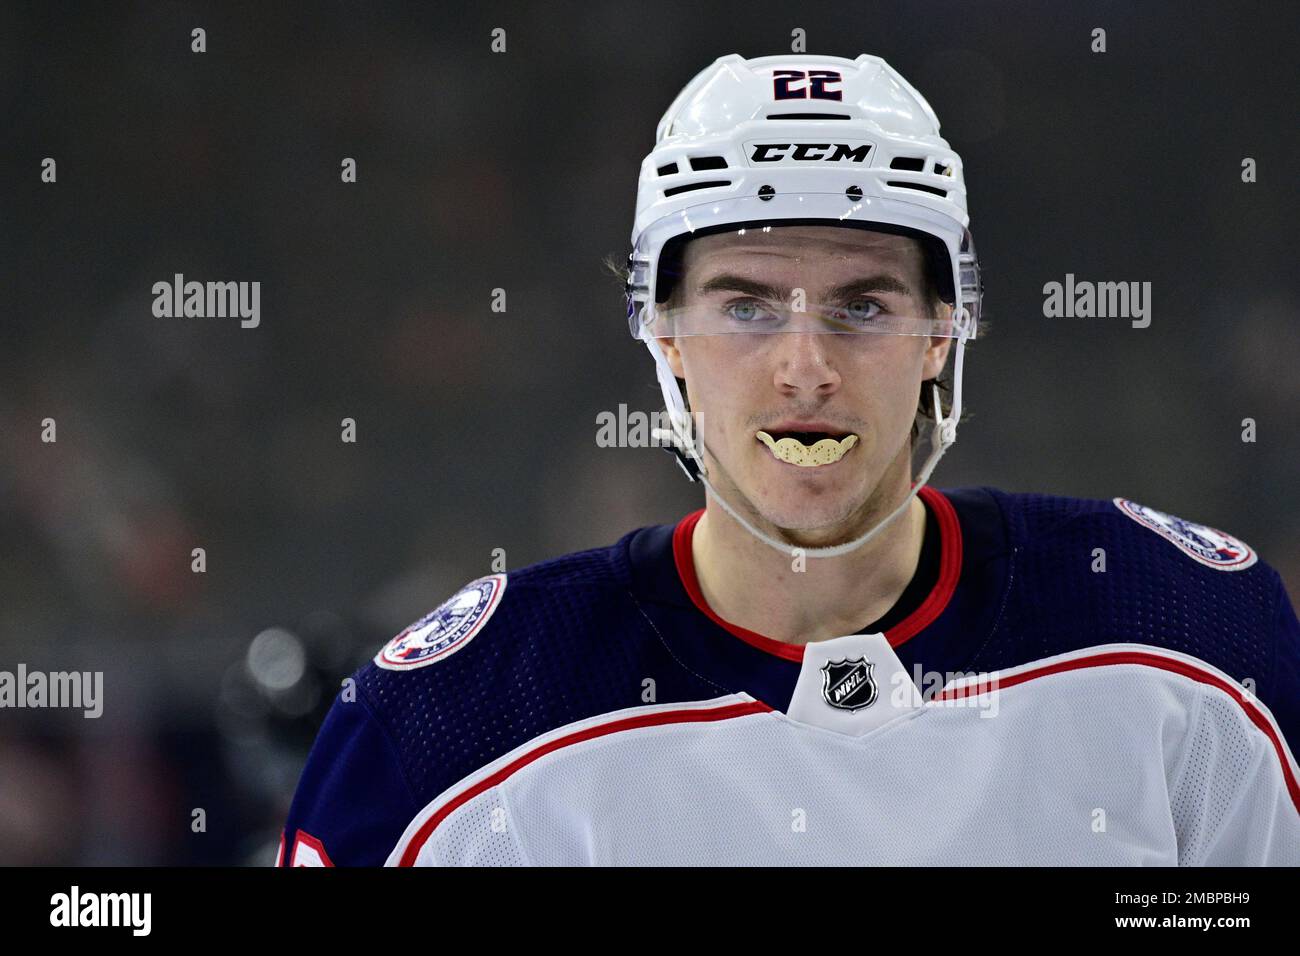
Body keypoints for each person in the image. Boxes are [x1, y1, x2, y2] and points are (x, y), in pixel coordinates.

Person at [279, 52, 1300, 866]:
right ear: (664, 334)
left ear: (943, 330)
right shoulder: (451, 723)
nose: (805, 367)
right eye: (746, 305)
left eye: (863, 304)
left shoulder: (1184, 637)